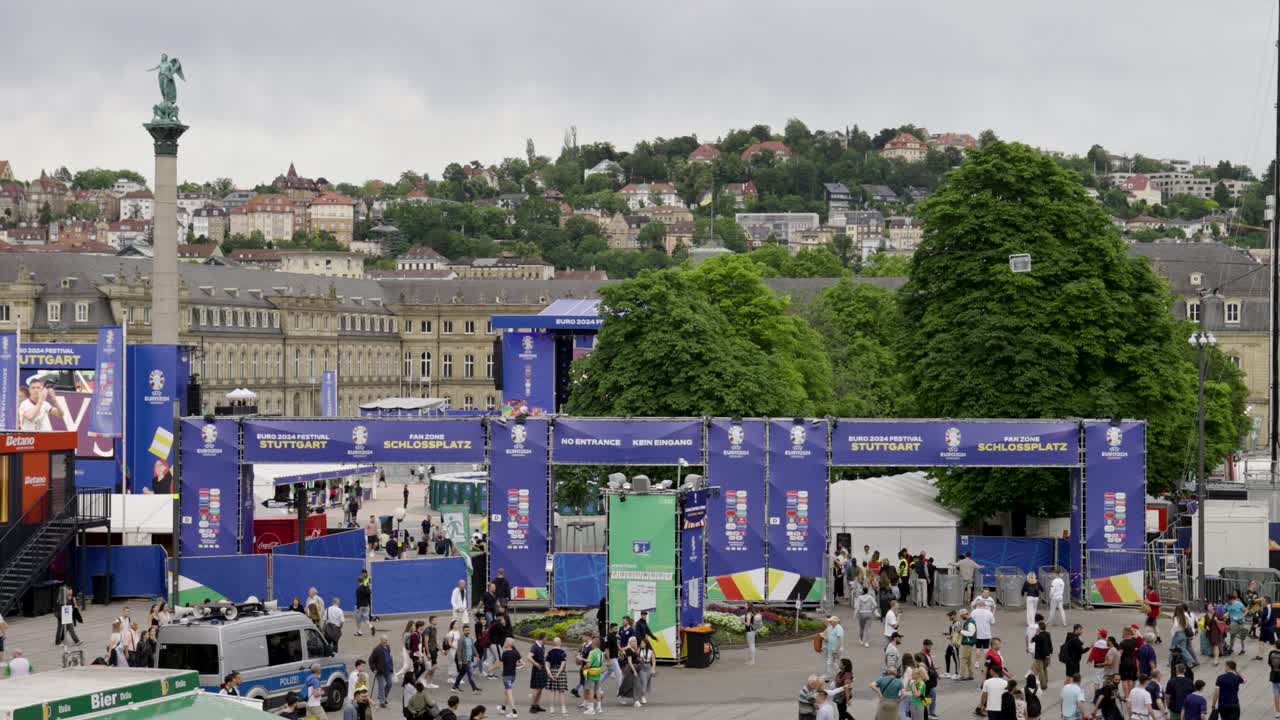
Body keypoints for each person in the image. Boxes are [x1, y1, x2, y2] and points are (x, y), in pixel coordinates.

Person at [496, 638, 524, 718]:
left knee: (509, 693)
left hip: (506, 676)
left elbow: (499, 665)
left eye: (505, 642)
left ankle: (514, 712)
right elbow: (521, 663)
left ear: (508, 644)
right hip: (513, 676)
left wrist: (491, 669)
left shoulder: (505, 653)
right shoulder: (515, 652)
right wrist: (515, 665)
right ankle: (503, 708)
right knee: (506, 692)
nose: (504, 643)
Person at [451, 624, 481, 693]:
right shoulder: (461, 639)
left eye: (468, 630)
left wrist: (477, 654)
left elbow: (472, 647)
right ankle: (474, 689)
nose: (467, 631)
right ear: (463, 631)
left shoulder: (470, 638)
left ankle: (455, 687)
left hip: (469, 659)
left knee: (461, 674)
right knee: (470, 674)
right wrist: (460, 661)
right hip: (464, 660)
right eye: (465, 630)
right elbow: (459, 651)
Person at [1171, 604, 1200, 669]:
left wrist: (1173, 634)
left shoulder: (1180, 616)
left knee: (1182, 648)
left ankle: (1190, 661)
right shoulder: (1190, 614)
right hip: (1189, 633)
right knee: (1189, 648)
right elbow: (1195, 622)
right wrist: (1196, 630)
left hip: (1182, 633)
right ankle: (1195, 661)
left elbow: (1175, 626)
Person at [545, 636, 568, 715]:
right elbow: (563, 663)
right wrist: (558, 673)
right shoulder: (562, 652)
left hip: (552, 671)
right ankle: (563, 710)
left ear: (553, 643)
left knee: (552, 691)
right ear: (560, 643)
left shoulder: (549, 652)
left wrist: (550, 674)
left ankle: (552, 710)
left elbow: (547, 665)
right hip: (560, 672)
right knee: (561, 691)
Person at [971, 600, 996, 672]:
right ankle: (986, 662)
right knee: (986, 649)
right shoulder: (989, 613)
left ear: (978, 605)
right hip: (986, 634)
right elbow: (993, 622)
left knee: (978, 648)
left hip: (977, 634)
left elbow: (971, 621)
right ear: (985, 605)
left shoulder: (974, 612)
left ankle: (977, 663)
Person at [583, 635, 605, 716]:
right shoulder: (601, 653)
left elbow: (588, 664)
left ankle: (591, 708)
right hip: (598, 672)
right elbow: (601, 663)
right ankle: (599, 707)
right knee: (598, 690)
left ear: (593, 644)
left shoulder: (592, 653)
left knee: (591, 690)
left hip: (591, 672)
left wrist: (584, 667)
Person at [527, 632, 547, 714]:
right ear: (543, 638)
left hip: (542, 668)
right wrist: (536, 664)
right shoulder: (535, 646)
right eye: (546, 638)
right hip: (538, 669)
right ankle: (532, 706)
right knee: (536, 689)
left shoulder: (541, 646)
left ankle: (537, 705)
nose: (547, 639)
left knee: (540, 688)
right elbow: (529, 657)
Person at [1224, 592, 1248, 657]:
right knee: (1232, 636)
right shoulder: (1227, 604)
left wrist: (1242, 616)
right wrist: (1226, 615)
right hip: (1233, 622)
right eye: (1226, 601)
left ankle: (1243, 649)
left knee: (1242, 637)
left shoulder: (1238, 604)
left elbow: (1246, 610)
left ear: (1231, 599)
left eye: (1228, 600)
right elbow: (1226, 611)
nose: (1227, 602)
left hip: (1241, 622)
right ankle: (1231, 649)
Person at [1030, 620, 1051, 690]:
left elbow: (1031, 640)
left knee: (1041, 670)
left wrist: (1036, 633)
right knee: (1045, 669)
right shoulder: (1048, 634)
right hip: (1047, 654)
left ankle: (1043, 684)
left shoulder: (1038, 636)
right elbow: (1050, 644)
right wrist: (1050, 653)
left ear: (1039, 628)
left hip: (1039, 655)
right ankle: (1046, 680)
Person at [959, 608, 977, 681]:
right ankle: (971, 675)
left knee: (964, 659)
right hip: (968, 643)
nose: (961, 617)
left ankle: (962, 675)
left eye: (961, 615)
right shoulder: (969, 621)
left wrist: (961, 631)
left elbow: (971, 633)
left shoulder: (970, 622)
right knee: (969, 660)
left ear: (965, 614)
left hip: (968, 643)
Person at [636, 637, 654, 706]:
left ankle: (642, 695)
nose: (641, 644)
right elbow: (636, 657)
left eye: (642, 643)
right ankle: (642, 696)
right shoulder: (639, 650)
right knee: (644, 681)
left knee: (646, 683)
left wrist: (653, 669)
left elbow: (653, 660)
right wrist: (639, 659)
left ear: (646, 644)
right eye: (641, 643)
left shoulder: (650, 651)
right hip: (642, 667)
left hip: (648, 667)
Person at [942, 610, 961, 679]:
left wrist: (950, 636)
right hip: (951, 643)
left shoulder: (957, 623)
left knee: (956, 658)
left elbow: (958, 634)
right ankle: (947, 673)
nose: (949, 617)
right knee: (947, 656)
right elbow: (953, 632)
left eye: (950, 615)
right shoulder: (953, 623)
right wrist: (947, 634)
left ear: (954, 615)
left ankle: (957, 674)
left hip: (955, 644)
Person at [355, 570, 374, 636]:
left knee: (358, 619)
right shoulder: (366, 587)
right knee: (366, 619)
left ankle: (359, 631)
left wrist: (357, 607)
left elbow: (358, 599)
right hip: (366, 605)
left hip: (360, 606)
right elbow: (369, 593)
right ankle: (371, 626)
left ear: (358, 581)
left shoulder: (358, 589)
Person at [1257, 597, 1275, 661]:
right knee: (1261, 641)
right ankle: (1260, 656)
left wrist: (1259, 624)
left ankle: (1261, 656)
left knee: (1269, 643)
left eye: (1263, 601)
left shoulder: (1268, 608)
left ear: (1266, 601)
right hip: (1266, 628)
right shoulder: (1268, 607)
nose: (1263, 602)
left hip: (1267, 628)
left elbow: (1268, 619)